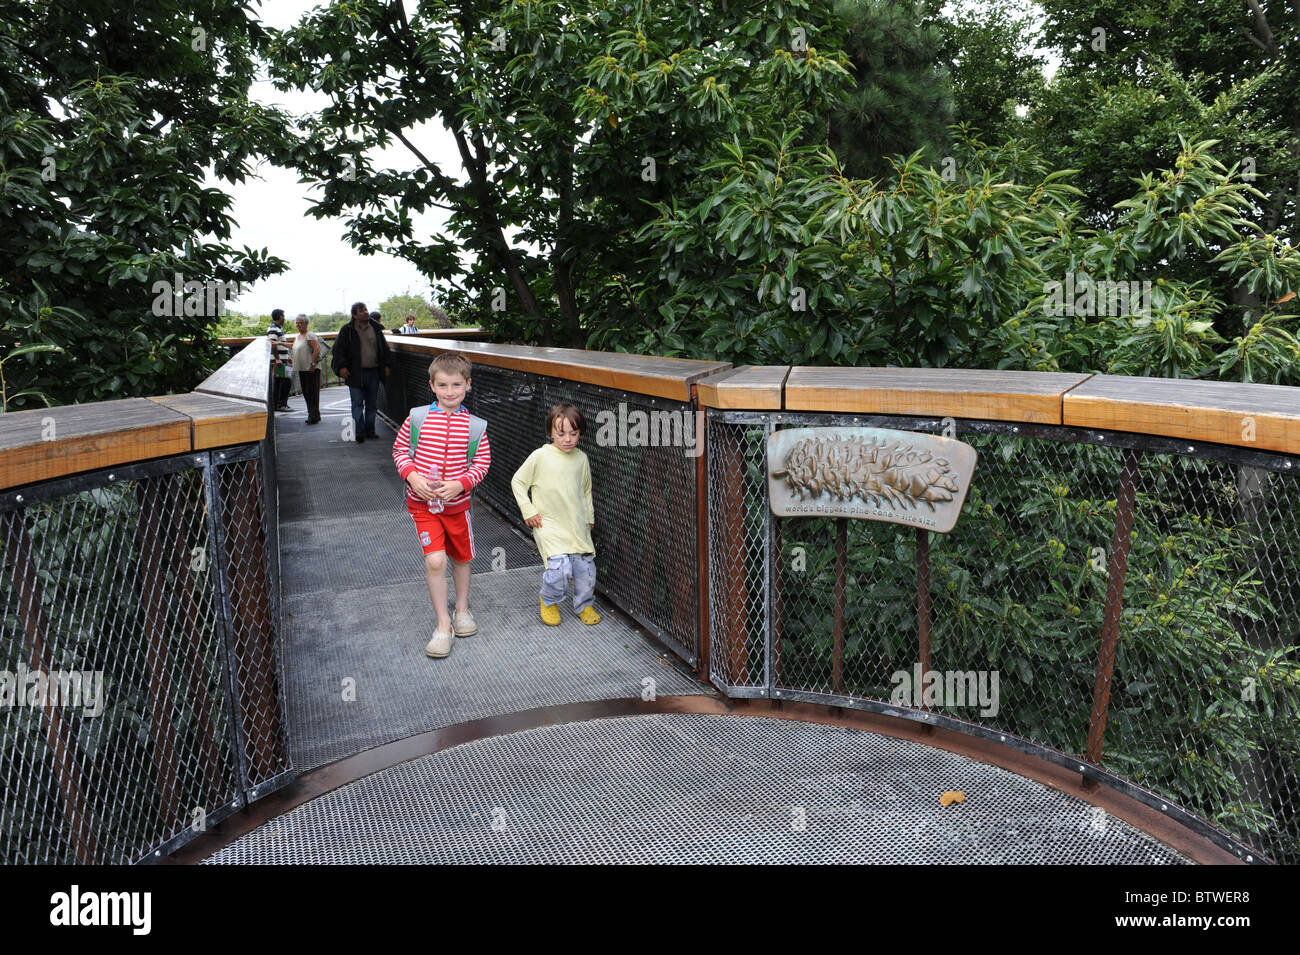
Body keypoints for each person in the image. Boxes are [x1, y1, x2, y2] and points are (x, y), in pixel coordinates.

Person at [392, 352, 492, 658]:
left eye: (457, 385)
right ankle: (443, 624)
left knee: (461, 557)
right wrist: (413, 477)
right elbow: (399, 452)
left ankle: (462, 609)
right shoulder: (418, 418)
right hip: (423, 506)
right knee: (436, 561)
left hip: (457, 507)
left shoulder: (475, 426)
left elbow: (482, 462)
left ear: (468, 385)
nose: (450, 392)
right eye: (444, 385)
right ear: (432, 386)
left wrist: (461, 484)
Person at [510, 403, 601, 627]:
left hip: (577, 526)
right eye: (561, 433)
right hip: (548, 525)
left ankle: (584, 604)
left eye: (574, 433)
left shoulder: (581, 459)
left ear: (580, 433)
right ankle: (549, 600)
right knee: (559, 569)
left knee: (586, 569)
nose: (568, 439)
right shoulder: (540, 456)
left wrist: (589, 517)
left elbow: (586, 490)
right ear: (551, 432)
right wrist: (529, 510)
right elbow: (518, 482)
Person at [332, 301, 391, 443]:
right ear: (354, 315)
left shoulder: (376, 328)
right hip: (355, 373)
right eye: (361, 310)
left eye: (366, 309)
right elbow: (338, 350)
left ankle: (370, 430)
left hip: (374, 371)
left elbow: (384, 348)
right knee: (357, 403)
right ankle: (359, 431)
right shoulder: (347, 330)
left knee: (372, 403)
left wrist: (387, 365)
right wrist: (342, 367)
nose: (365, 312)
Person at [291, 314, 325, 425]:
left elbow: (316, 350)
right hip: (302, 368)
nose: (298, 325)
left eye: (301, 322)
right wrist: (280, 343)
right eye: (297, 322)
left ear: (306, 323)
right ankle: (314, 415)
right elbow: (294, 347)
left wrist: (313, 364)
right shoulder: (298, 336)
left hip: (311, 368)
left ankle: (313, 416)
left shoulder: (310, 335)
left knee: (312, 392)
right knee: (306, 392)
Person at [267, 309, 292, 412]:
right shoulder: (273, 329)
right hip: (279, 362)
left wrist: (287, 357)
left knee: (279, 382)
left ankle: (277, 404)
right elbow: (272, 344)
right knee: (286, 381)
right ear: (279, 317)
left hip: (282, 360)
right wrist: (278, 359)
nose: (284, 318)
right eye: (283, 316)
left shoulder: (277, 328)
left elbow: (279, 344)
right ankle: (281, 405)